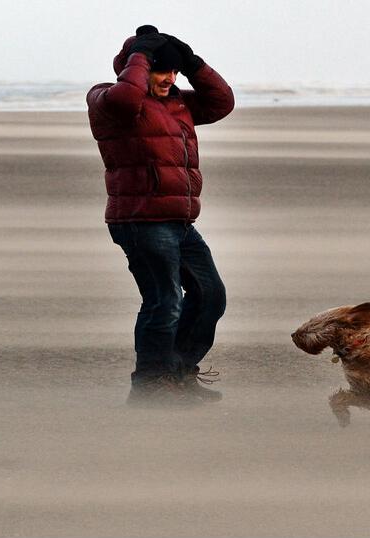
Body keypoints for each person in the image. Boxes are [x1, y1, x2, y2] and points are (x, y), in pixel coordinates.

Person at [87, 25, 236, 407]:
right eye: (160, 70)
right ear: (135, 68)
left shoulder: (177, 103)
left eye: (174, 71)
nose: (169, 78)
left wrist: (192, 62)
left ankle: (177, 374)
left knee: (210, 296)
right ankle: (151, 384)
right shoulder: (106, 100)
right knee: (164, 300)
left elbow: (221, 102)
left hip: (179, 221)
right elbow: (126, 97)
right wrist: (141, 52)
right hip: (139, 220)